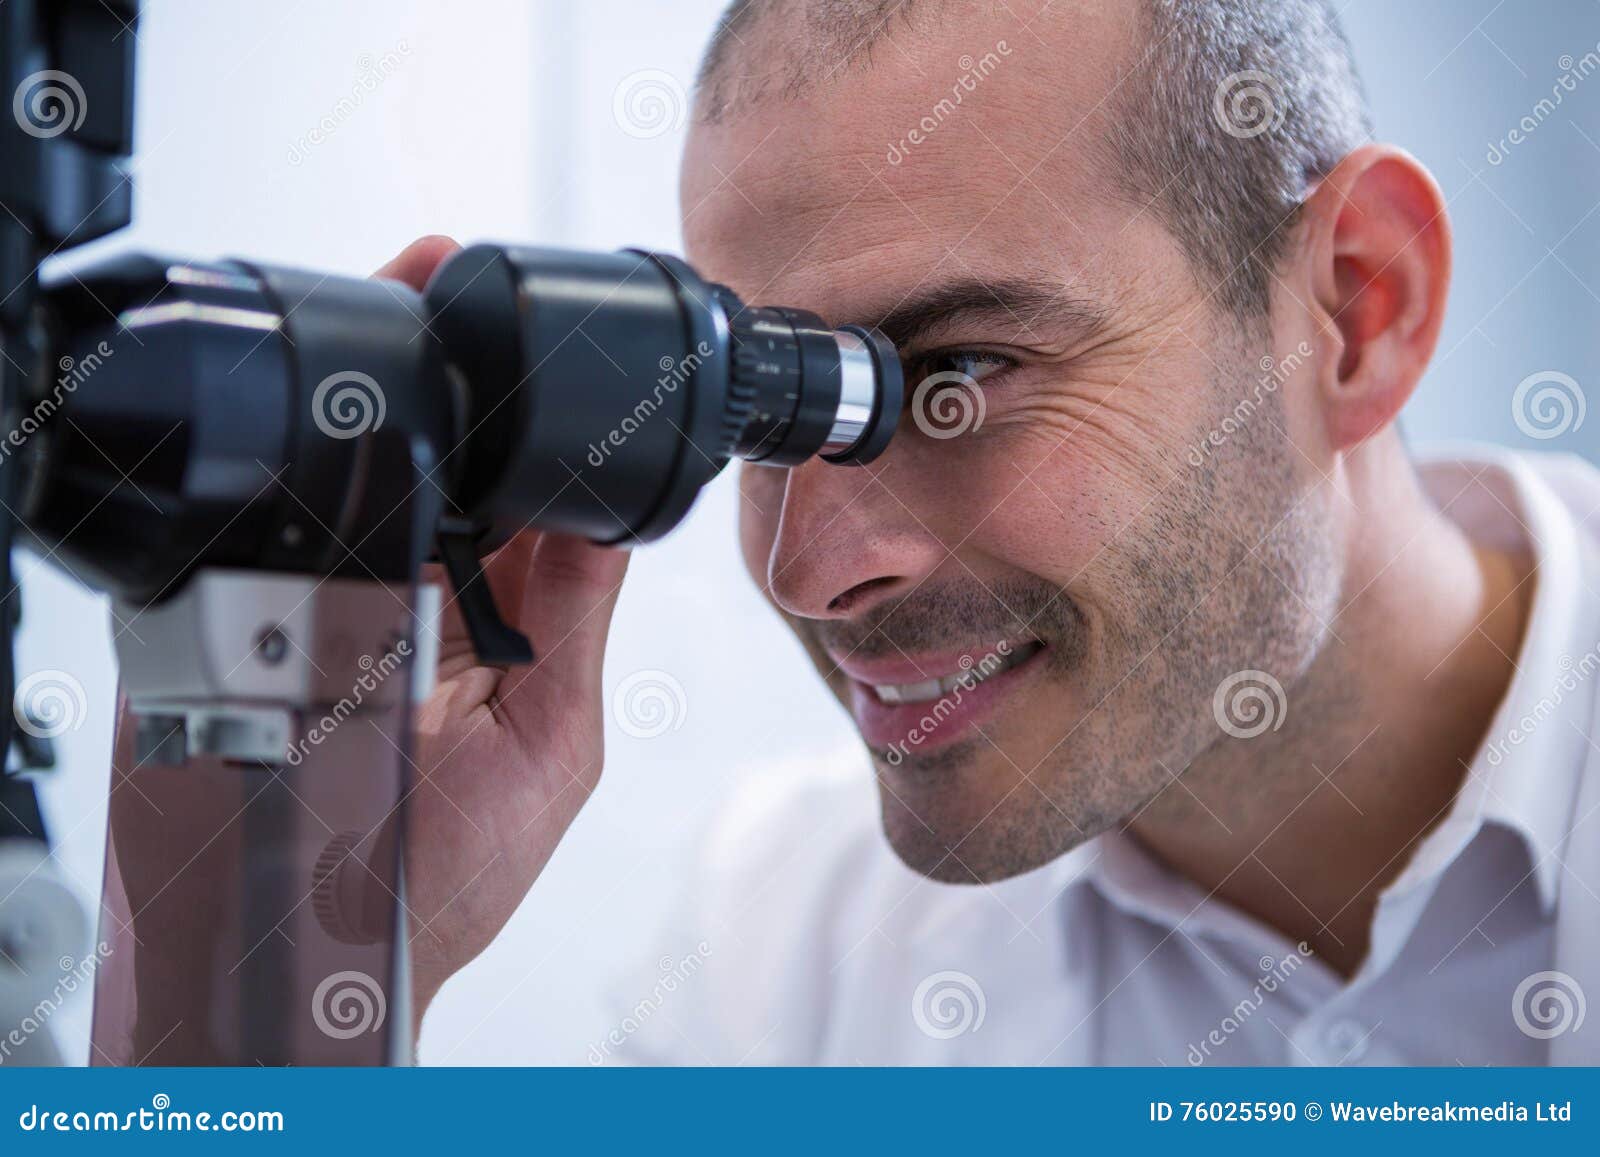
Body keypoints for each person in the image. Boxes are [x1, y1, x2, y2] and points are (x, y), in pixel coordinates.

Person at [393, 0, 1600, 1064]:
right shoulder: (785, 958)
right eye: (757, 410)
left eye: (959, 373)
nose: (812, 571)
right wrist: (342, 934)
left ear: (1353, 306)